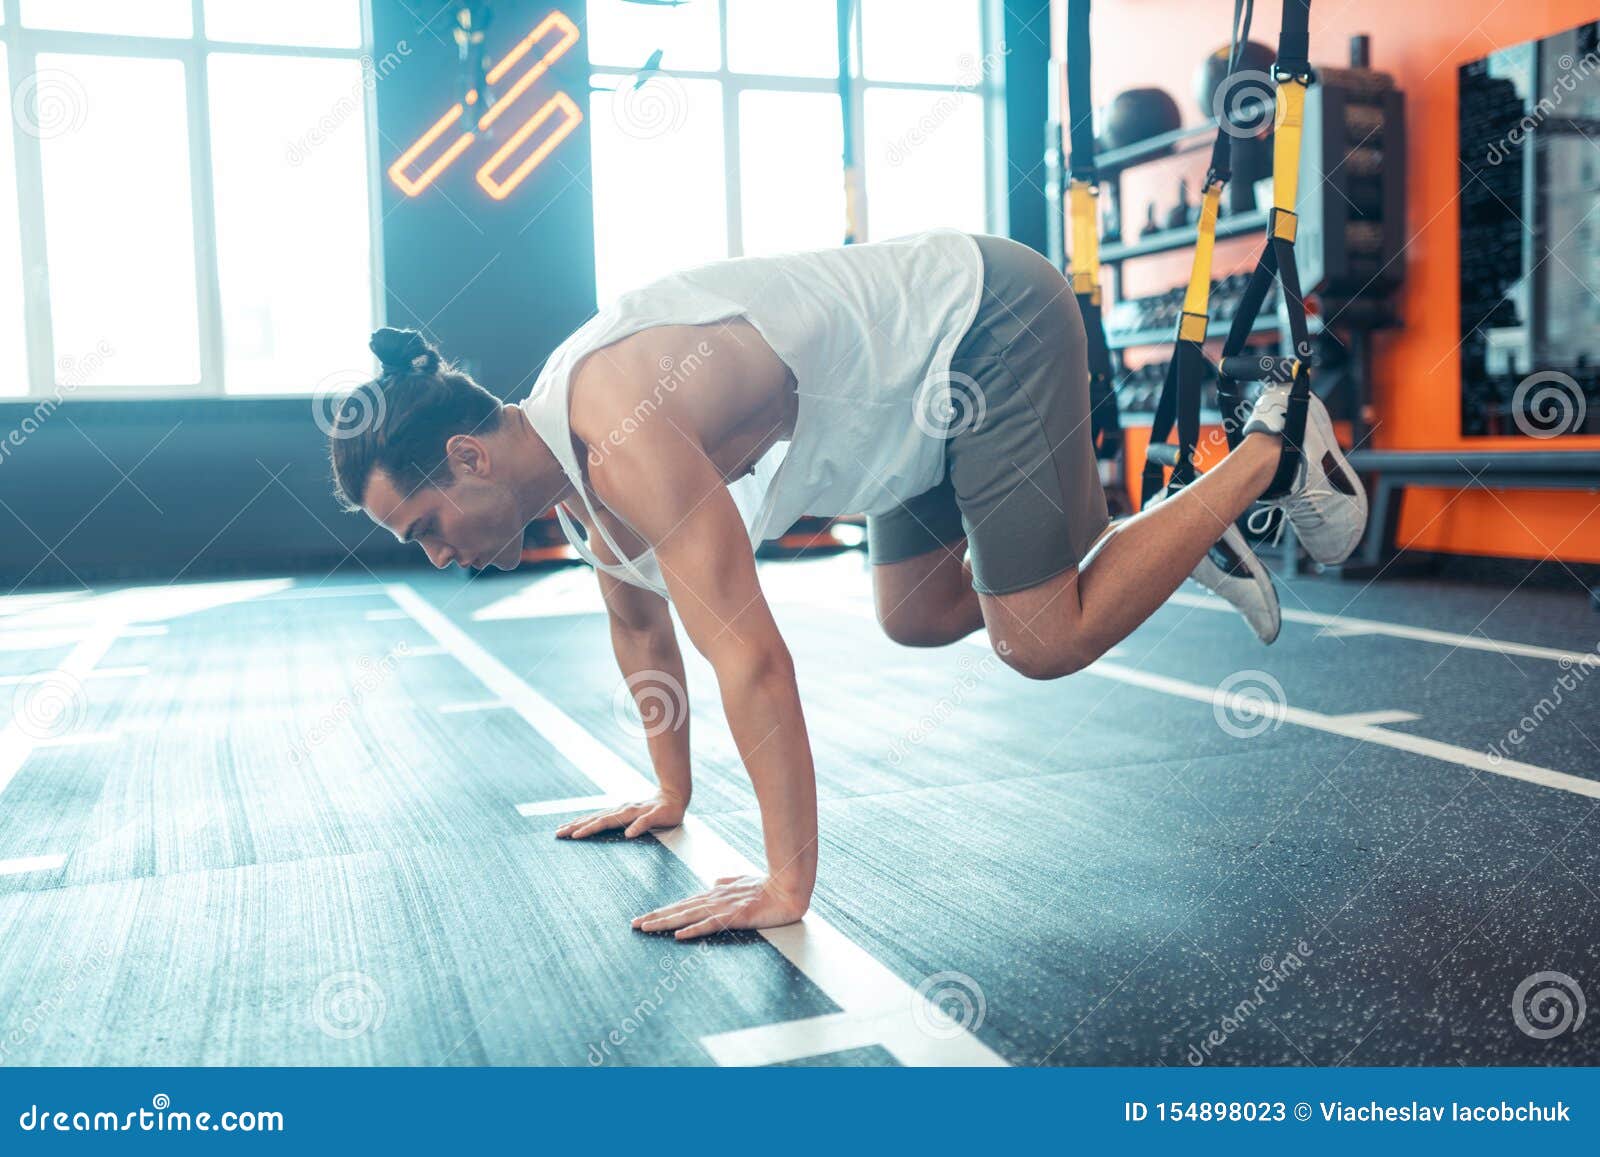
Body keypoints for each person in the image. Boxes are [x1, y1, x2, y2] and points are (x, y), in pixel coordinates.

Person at [327, 230, 1366, 940]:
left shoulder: (612, 429)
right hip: (898, 423)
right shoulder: (570, 473)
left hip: (977, 324)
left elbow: (748, 656)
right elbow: (641, 632)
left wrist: (787, 883)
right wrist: (672, 792)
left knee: (1038, 637)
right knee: (915, 614)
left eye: (421, 529)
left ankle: (1264, 455)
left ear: (465, 458)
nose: (435, 553)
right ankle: (1182, 527)